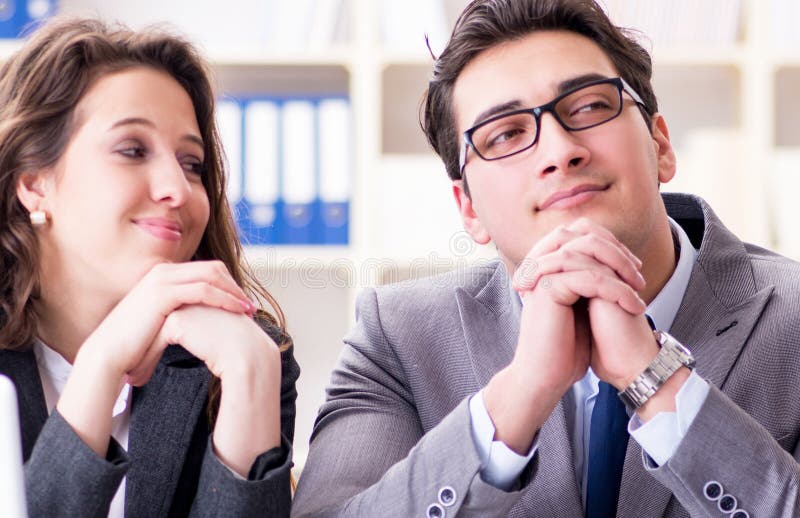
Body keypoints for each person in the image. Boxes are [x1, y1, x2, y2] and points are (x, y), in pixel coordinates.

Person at [292, 0, 800, 516]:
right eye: (506, 134)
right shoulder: (397, 338)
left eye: (588, 107)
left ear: (660, 144)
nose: (559, 151)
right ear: (469, 209)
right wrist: (519, 395)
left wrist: (656, 379)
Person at [0, 17, 300, 518]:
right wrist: (100, 365)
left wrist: (250, 381)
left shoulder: (241, 358)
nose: (178, 191)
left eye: (192, 164)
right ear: (33, 183)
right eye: (132, 150)